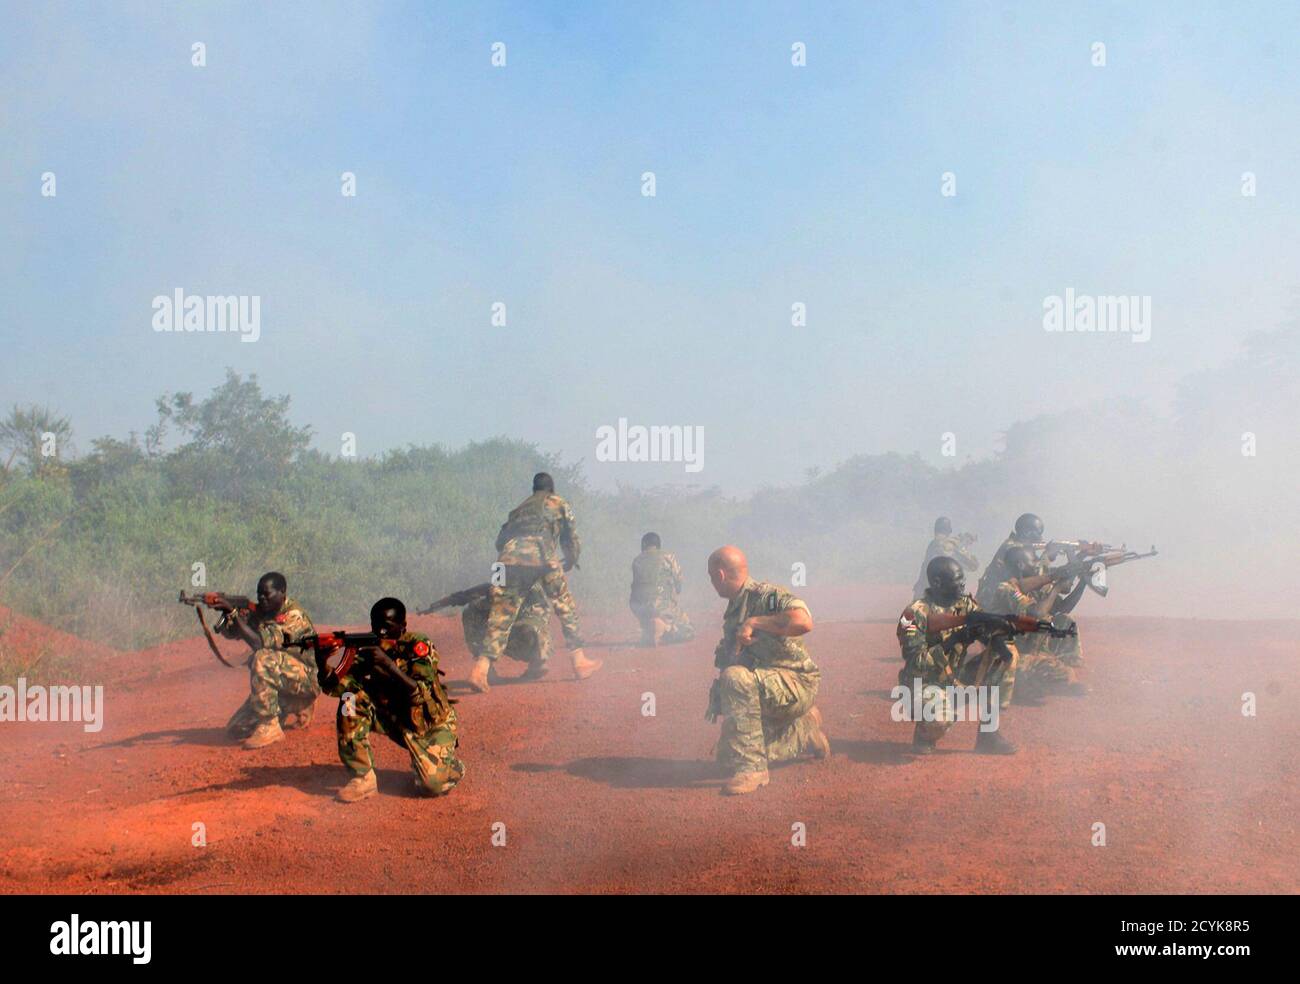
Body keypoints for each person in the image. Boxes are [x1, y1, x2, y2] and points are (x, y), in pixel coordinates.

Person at [705, 545, 829, 795]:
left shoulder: (767, 596)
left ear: (719, 575)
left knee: (735, 680)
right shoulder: (735, 607)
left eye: (711, 577)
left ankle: (753, 769)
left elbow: (804, 621)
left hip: (796, 683)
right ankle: (803, 730)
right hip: (769, 687)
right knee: (727, 756)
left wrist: (755, 622)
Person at [320, 597, 464, 803]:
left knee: (430, 786)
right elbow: (337, 688)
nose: (380, 632)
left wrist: (387, 665)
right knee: (350, 699)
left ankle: (450, 766)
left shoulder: (418, 646)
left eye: (386, 627)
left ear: (402, 627)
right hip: (395, 719)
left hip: (430, 725)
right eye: (375, 625)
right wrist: (322, 662)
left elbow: (420, 693)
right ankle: (363, 778)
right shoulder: (370, 651)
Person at [471, 472, 601, 692]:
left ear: (533, 490)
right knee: (564, 605)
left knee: (500, 614)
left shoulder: (518, 510)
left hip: (505, 562)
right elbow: (571, 537)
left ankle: (481, 668)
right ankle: (579, 661)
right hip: (542, 557)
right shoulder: (558, 502)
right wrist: (571, 560)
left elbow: (499, 542)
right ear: (551, 489)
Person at [897, 556, 1019, 756]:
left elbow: (986, 631)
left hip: (955, 678)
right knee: (939, 718)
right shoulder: (912, 614)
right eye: (957, 579)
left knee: (1007, 653)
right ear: (937, 582)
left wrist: (997, 636)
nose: (963, 583)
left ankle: (988, 734)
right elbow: (915, 661)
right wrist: (955, 639)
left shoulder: (966, 605)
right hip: (923, 684)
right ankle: (924, 733)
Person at [216, 571, 318, 749]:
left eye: (267, 594)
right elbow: (233, 634)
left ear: (282, 592)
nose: (262, 598)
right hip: (282, 682)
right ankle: (292, 706)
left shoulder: (294, 617)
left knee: (262, 657)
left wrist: (233, 613)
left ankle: (270, 726)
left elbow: (258, 642)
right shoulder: (264, 612)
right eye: (259, 594)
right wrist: (232, 617)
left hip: (307, 680)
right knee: (237, 729)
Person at [986, 547, 1087, 698]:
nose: (1036, 564)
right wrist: (1056, 584)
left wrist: (1083, 582)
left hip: (1026, 648)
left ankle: (1033, 680)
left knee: (1064, 622)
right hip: (1005, 654)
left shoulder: (1032, 588)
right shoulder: (1005, 588)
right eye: (1033, 560)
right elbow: (1037, 613)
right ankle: (1021, 687)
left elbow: (1062, 608)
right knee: (1056, 673)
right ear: (1020, 565)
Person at [451, 581, 552, 681]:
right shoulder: (534, 581)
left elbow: (501, 603)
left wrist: (471, 599)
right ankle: (538, 663)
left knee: (471, 613)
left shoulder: (511, 585)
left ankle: (485, 666)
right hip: (540, 643)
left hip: (525, 640)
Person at [629, 532, 695, 646]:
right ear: (658, 544)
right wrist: (675, 595)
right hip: (662, 605)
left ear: (643, 545)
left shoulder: (637, 560)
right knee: (688, 631)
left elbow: (636, 586)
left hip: (638, 606)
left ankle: (649, 629)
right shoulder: (668, 556)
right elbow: (678, 580)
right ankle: (665, 628)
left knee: (648, 623)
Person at [911, 517, 979, 599]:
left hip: (923, 591)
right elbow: (972, 565)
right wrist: (963, 547)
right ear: (949, 531)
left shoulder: (933, 544)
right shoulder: (949, 546)